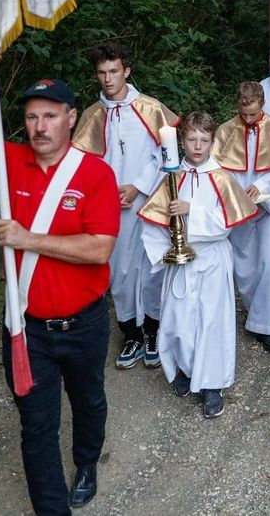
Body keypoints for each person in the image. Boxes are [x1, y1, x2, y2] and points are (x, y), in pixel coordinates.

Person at [0, 33, 117, 513]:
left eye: (50, 116)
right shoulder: (11, 163)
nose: (39, 127)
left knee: (88, 402)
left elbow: (99, 249)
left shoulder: (95, 174)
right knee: (37, 426)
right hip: (27, 326)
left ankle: (86, 462)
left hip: (84, 323)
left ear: (71, 118)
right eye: (31, 117)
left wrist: (28, 239)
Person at [138, 113, 258, 419]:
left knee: (211, 321)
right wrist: (165, 252)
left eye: (204, 140)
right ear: (181, 141)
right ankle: (185, 368)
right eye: (192, 139)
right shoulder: (171, 177)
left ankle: (212, 384)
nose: (198, 146)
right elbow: (153, 221)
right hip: (181, 262)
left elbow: (226, 223)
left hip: (212, 258)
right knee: (179, 318)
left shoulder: (222, 177)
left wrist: (192, 210)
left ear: (213, 142)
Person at [71, 42, 179, 371]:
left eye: (114, 71)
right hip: (110, 204)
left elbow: (165, 154)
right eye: (102, 73)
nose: (108, 78)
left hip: (148, 200)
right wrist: (104, 193)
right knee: (119, 271)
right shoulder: (92, 115)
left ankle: (153, 332)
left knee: (151, 267)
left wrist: (138, 186)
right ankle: (130, 333)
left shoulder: (150, 108)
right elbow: (84, 164)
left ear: (126, 71)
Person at [216, 83, 270, 353]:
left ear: (262, 105)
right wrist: (235, 190)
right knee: (245, 262)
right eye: (244, 114)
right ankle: (255, 313)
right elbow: (218, 168)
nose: (248, 119)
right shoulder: (225, 131)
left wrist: (263, 185)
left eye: (253, 114)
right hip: (239, 205)